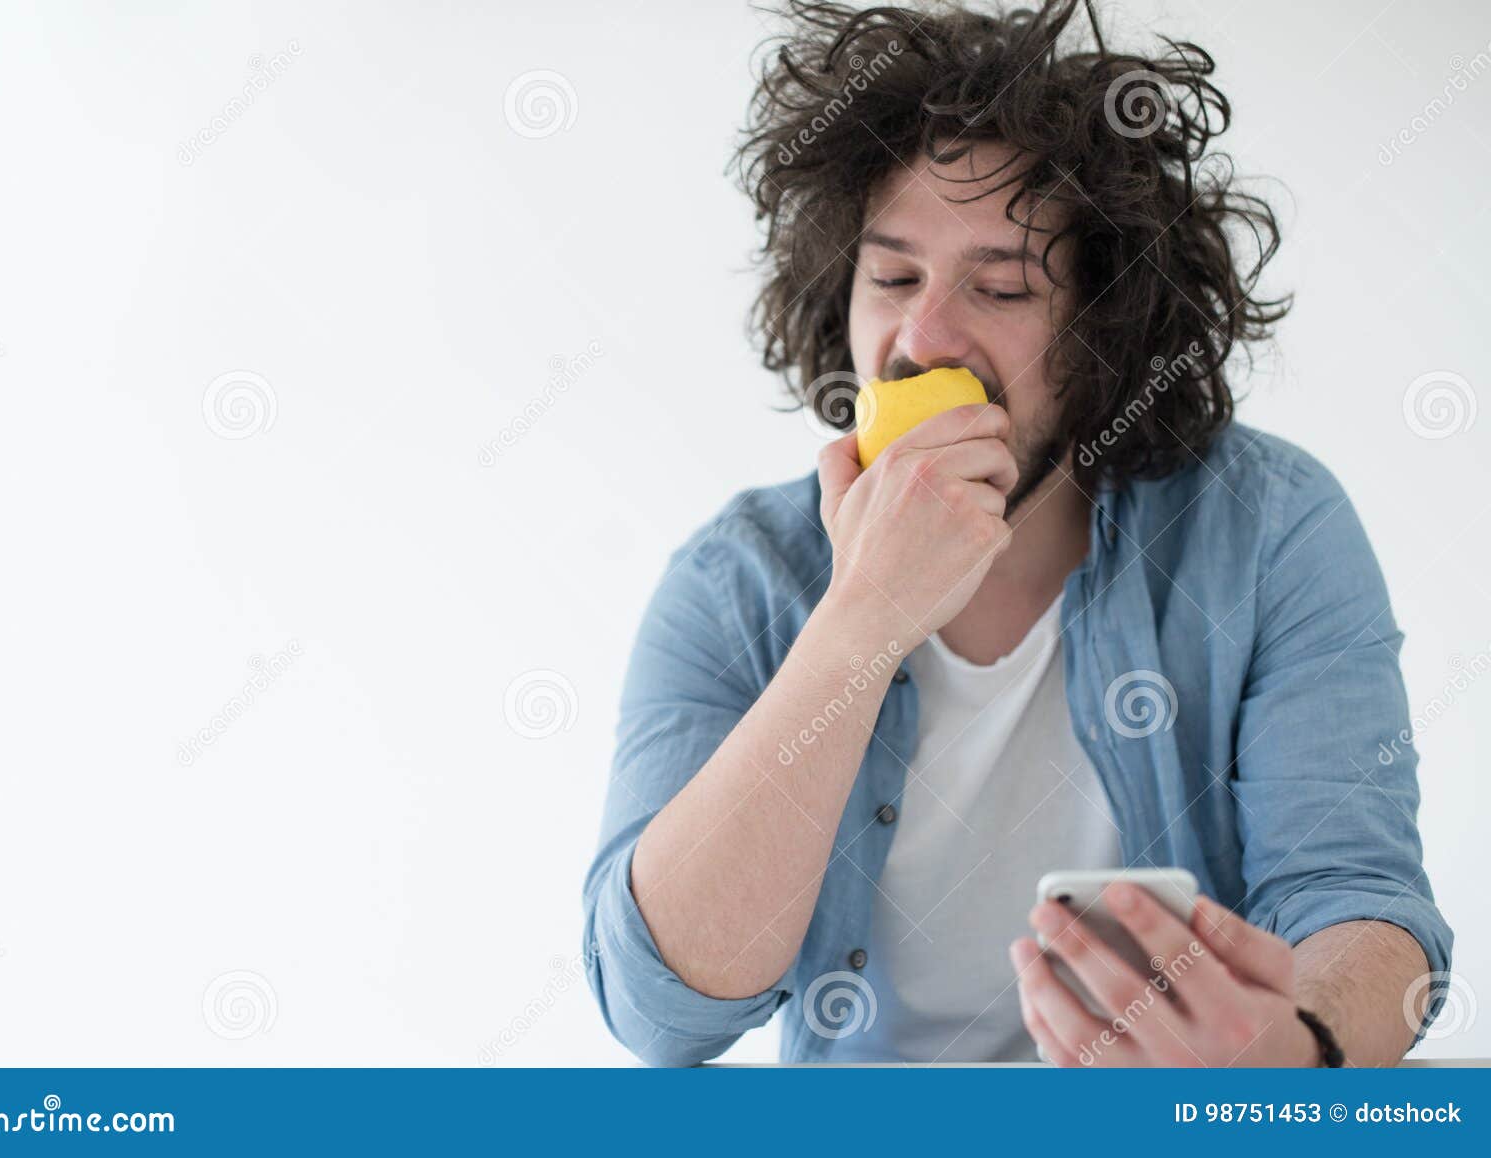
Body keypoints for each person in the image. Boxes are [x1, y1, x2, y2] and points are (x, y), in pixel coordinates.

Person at [581, 0, 1451, 1066]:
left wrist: (1292, 1051)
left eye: (999, 287)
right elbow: (658, 1009)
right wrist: (864, 617)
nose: (922, 336)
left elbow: (1361, 906)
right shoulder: (736, 581)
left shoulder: (1267, 529)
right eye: (892, 277)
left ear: (1106, 333)